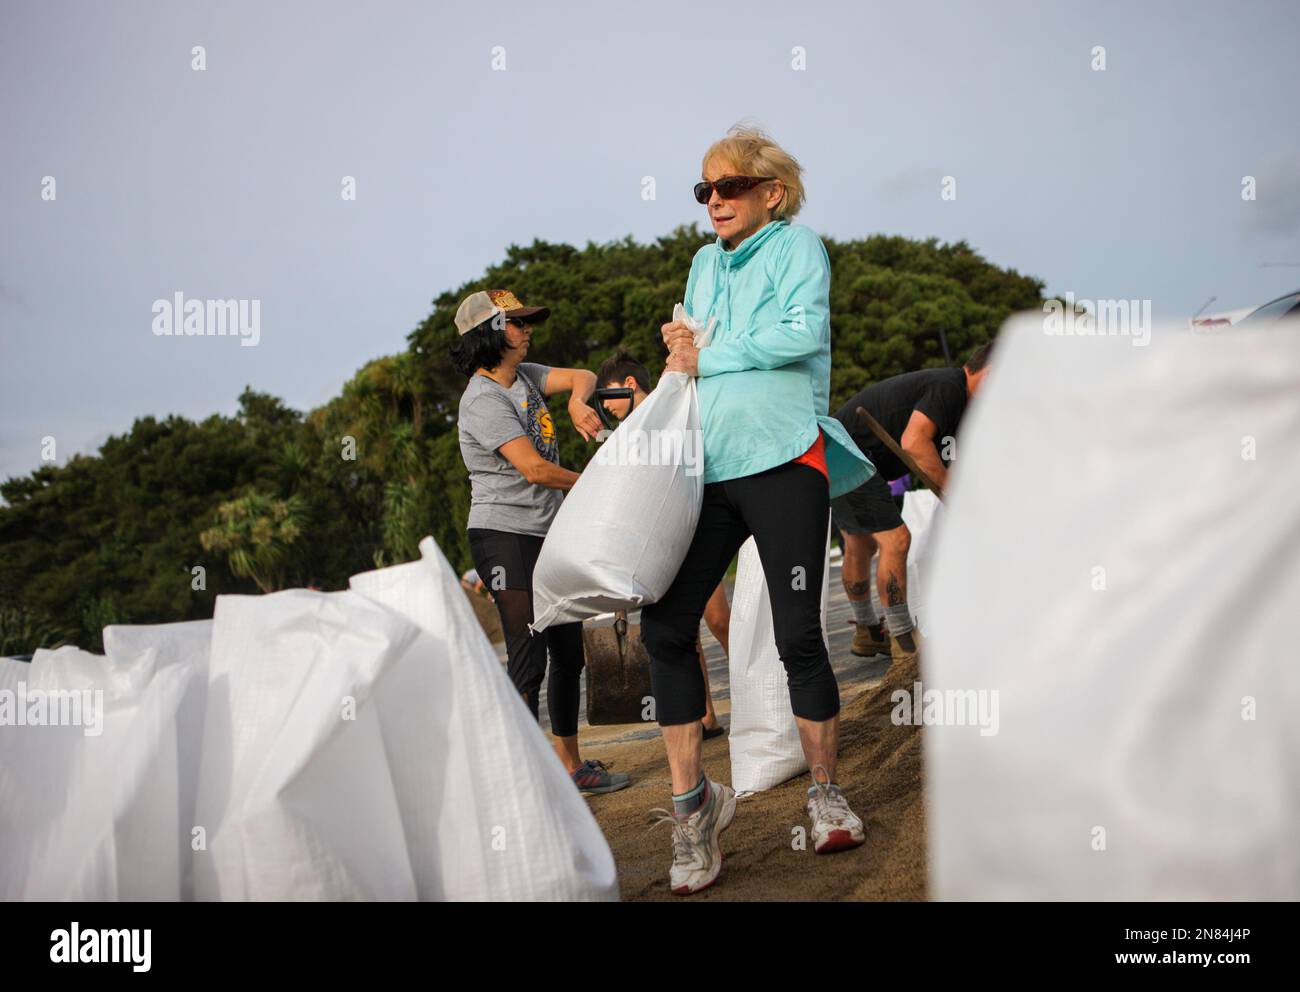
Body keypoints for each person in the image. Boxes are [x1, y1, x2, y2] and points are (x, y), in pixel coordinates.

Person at [641, 125, 878, 895]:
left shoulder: (798, 247)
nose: (713, 201)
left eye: (728, 186)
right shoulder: (704, 263)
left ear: (769, 193)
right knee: (667, 625)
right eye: (702, 189)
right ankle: (692, 809)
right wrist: (682, 344)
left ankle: (824, 793)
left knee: (797, 632)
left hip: (784, 458)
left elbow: (800, 332)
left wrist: (709, 352)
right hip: (710, 469)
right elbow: (702, 349)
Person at [452, 288, 630, 796]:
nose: (528, 330)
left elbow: (583, 377)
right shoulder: (483, 399)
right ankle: (526, 780)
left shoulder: (525, 377)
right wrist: (600, 479)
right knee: (528, 657)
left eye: (528, 322)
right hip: (503, 538)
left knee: (569, 652)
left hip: (547, 534)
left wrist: (576, 400)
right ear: (489, 334)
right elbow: (534, 469)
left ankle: (570, 765)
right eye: (517, 323)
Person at [594, 348, 729, 740]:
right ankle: (706, 716)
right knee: (680, 629)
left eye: (609, 397)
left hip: (695, 526)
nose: (607, 409)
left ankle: (762, 699)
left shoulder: (673, 407)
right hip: (660, 539)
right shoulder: (625, 432)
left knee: (719, 619)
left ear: (630, 386)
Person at [831, 343, 993, 665]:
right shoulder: (950, 388)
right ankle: (904, 642)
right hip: (847, 452)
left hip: (837, 450)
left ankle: (867, 632)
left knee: (860, 544)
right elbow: (915, 443)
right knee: (897, 539)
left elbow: (949, 463)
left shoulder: (957, 404)